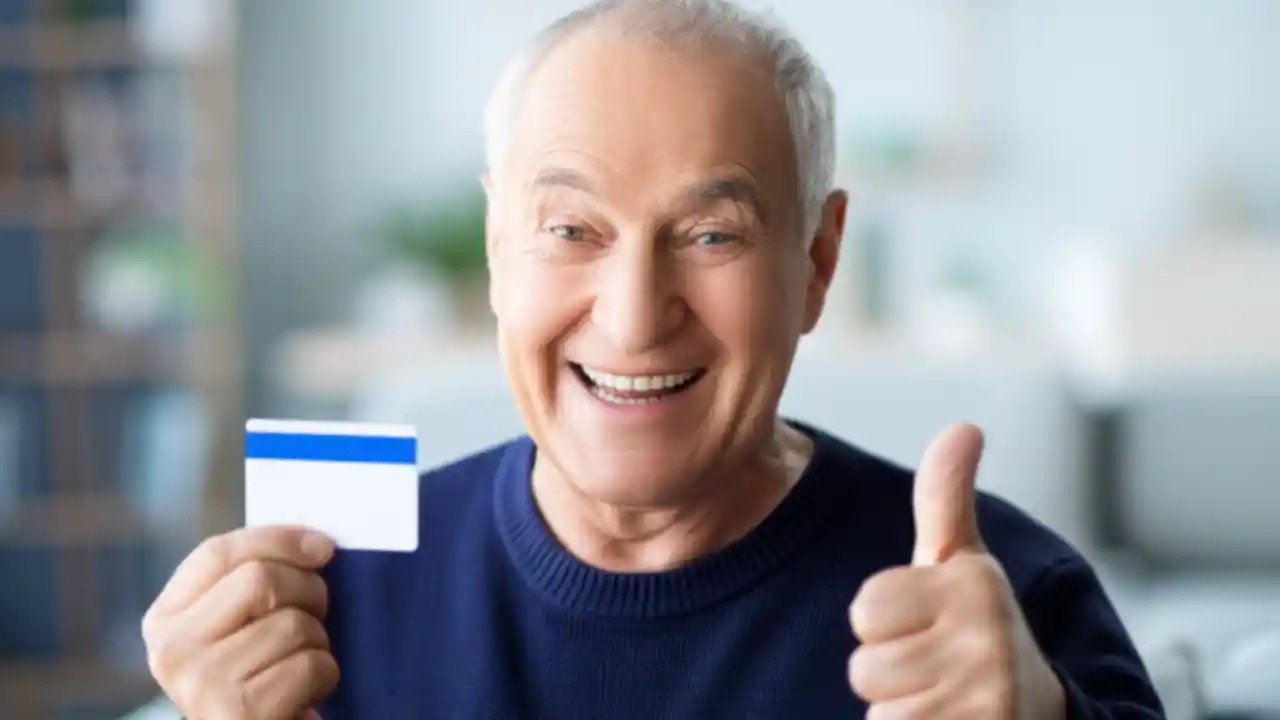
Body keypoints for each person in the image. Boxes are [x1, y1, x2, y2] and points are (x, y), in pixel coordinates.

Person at [140, 1, 1165, 717]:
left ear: (817, 261)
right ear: (497, 249)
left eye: (711, 235)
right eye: (570, 230)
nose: (632, 320)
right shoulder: (326, 597)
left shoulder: (997, 605)